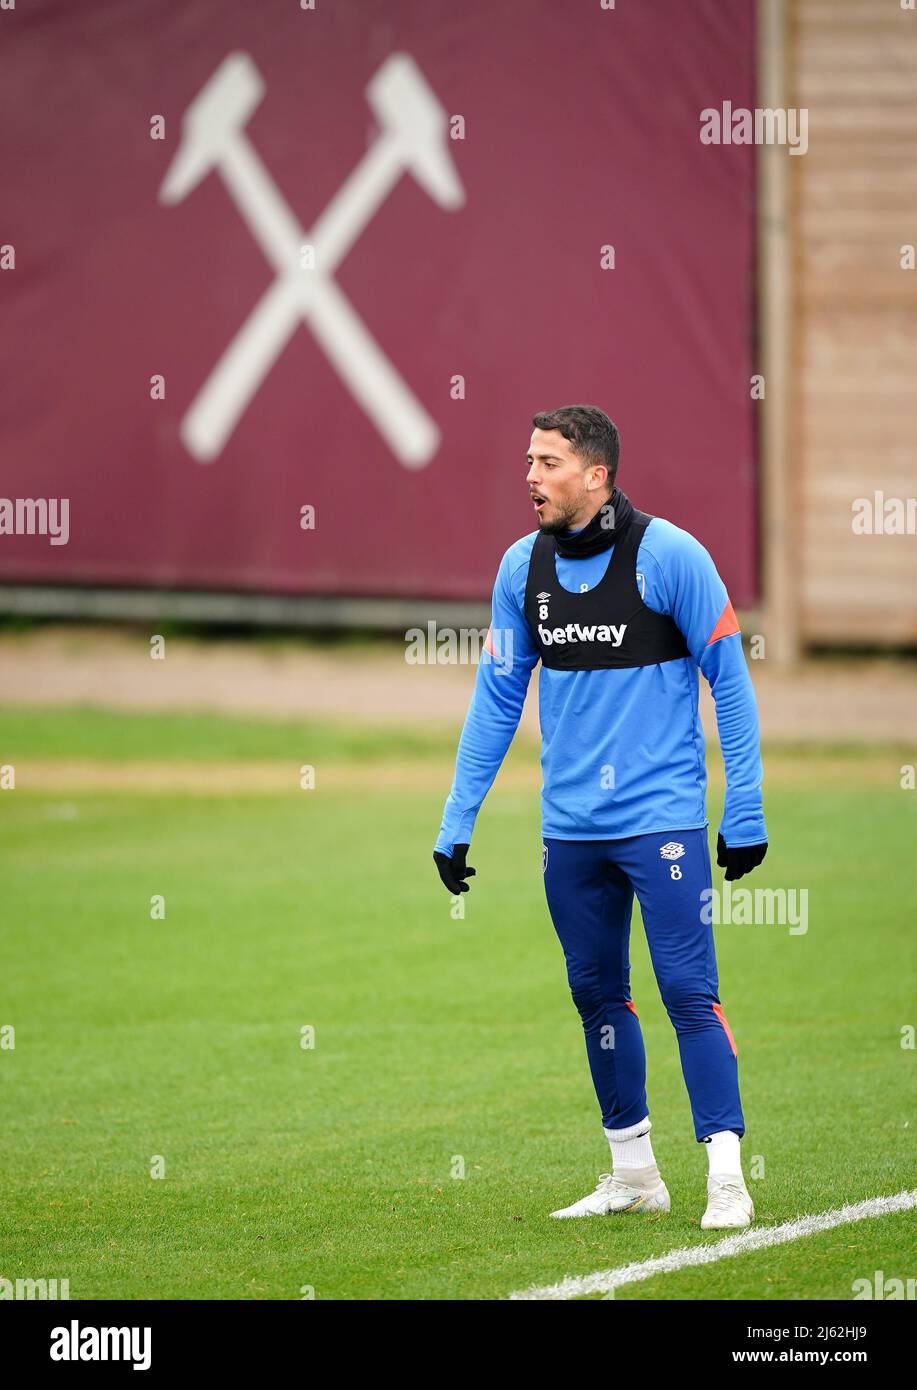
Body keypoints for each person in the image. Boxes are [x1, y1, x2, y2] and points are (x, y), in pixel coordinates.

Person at [433, 404, 768, 1229]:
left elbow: (729, 679)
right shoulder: (522, 569)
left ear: (596, 475)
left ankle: (725, 1175)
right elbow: (495, 702)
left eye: (547, 463)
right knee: (595, 996)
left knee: (689, 992)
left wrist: (745, 810)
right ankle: (632, 1173)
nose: (530, 478)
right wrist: (456, 820)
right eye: (527, 460)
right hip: (569, 833)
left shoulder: (671, 557)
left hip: (661, 824)